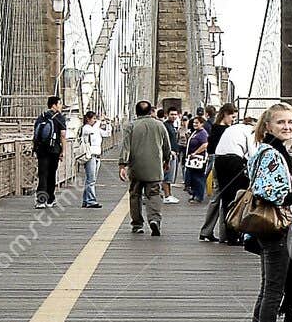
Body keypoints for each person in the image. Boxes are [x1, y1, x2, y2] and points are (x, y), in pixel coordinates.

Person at [244, 102, 292, 322]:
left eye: (291, 122)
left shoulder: (265, 150)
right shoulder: (272, 154)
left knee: (267, 288)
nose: (287, 127)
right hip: (276, 227)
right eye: (281, 122)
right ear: (268, 125)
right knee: (273, 290)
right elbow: (267, 190)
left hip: (268, 228)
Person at [118, 101, 171, 237]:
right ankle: (154, 219)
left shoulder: (131, 126)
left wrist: (123, 165)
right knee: (154, 194)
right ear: (150, 112)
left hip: (136, 168)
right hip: (154, 168)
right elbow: (167, 146)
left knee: (135, 195)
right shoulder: (160, 125)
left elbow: (126, 147)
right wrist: (167, 160)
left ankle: (137, 224)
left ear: (136, 112)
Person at [203, 108, 254, 245]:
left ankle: (225, 234)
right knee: (237, 197)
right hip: (233, 161)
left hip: (219, 161)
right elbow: (252, 154)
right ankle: (232, 235)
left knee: (226, 197)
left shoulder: (233, 128)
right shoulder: (250, 131)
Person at [32, 95, 65, 207]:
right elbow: (63, 135)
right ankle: (50, 199)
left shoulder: (41, 116)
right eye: (60, 104)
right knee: (51, 174)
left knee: (42, 174)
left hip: (41, 150)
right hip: (54, 150)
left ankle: (41, 200)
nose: (61, 106)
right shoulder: (59, 117)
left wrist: (35, 148)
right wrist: (63, 151)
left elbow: (36, 134)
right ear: (54, 105)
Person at [76, 111, 105, 208]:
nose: (95, 120)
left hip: (97, 155)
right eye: (93, 118)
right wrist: (100, 121)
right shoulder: (86, 128)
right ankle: (91, 201)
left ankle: (86, 200)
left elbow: (106, 134)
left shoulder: (95, 128)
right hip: (90, 155)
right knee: (91, 179)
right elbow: (93, 130)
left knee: (91, 179)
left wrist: (107, 125)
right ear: (88, 119)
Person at [183, 116, 210, 203]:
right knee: (193, 177)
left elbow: (205, 144)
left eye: (197, 123)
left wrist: (196, 152)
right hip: (192, 160)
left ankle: (199, 196)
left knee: (198, 177)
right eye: (194, 123)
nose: (194, 124)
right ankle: (194, 194)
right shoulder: (195, 132)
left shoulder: (202, 133)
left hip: (198, 159)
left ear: (202, 124)